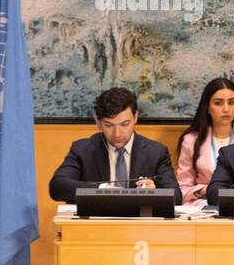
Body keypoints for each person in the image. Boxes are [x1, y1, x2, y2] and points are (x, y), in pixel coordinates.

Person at [49, 87, 180, 203]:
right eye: (109, 125)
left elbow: (177, 196)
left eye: (125, 124)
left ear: (135, 118)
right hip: (95, 225)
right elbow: (57, 187)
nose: (117, 134)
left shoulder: (156, 152)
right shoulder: (83, 149)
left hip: (139, 226)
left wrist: (155, 192)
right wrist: (102, 189)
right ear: (98, 122)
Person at [175, 78, 234, 205]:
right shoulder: (191, 140)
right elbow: (181, 188)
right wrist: (206, 190)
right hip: (202, 206)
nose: (226, 109)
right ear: (208, 107)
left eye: (231, 103)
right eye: (218, 103)